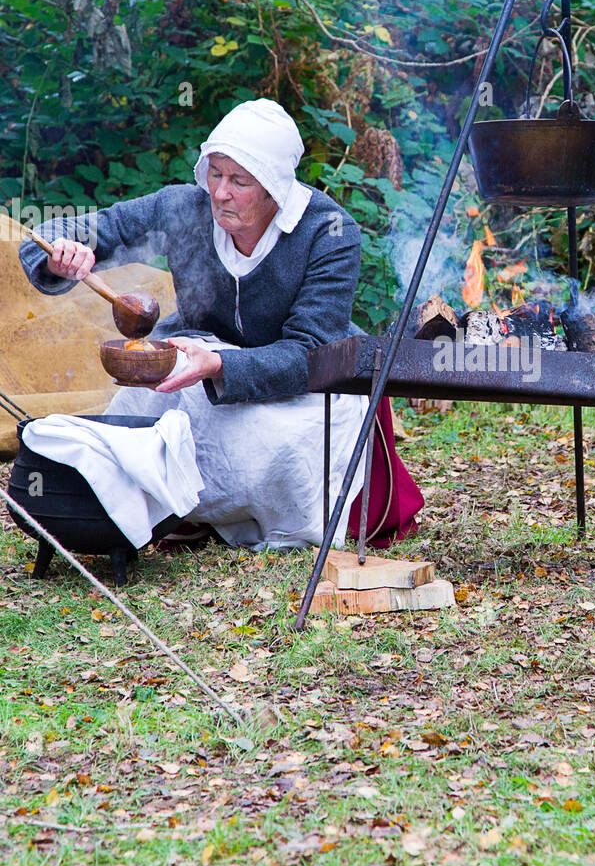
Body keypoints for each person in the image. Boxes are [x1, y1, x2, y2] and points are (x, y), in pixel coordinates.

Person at [19, 98, 422, 550]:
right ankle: (178, 513)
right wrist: (62, 251)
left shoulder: (327, 231)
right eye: (215, 173)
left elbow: (309, 351)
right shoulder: (182, 207)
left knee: (276, 442)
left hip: (301, 380)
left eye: (239, 181)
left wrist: (221, 366)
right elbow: (73, 232)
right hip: (196, 359)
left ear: (274, 188)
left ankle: (244, 518)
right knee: (136, 407)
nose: (220, 192)